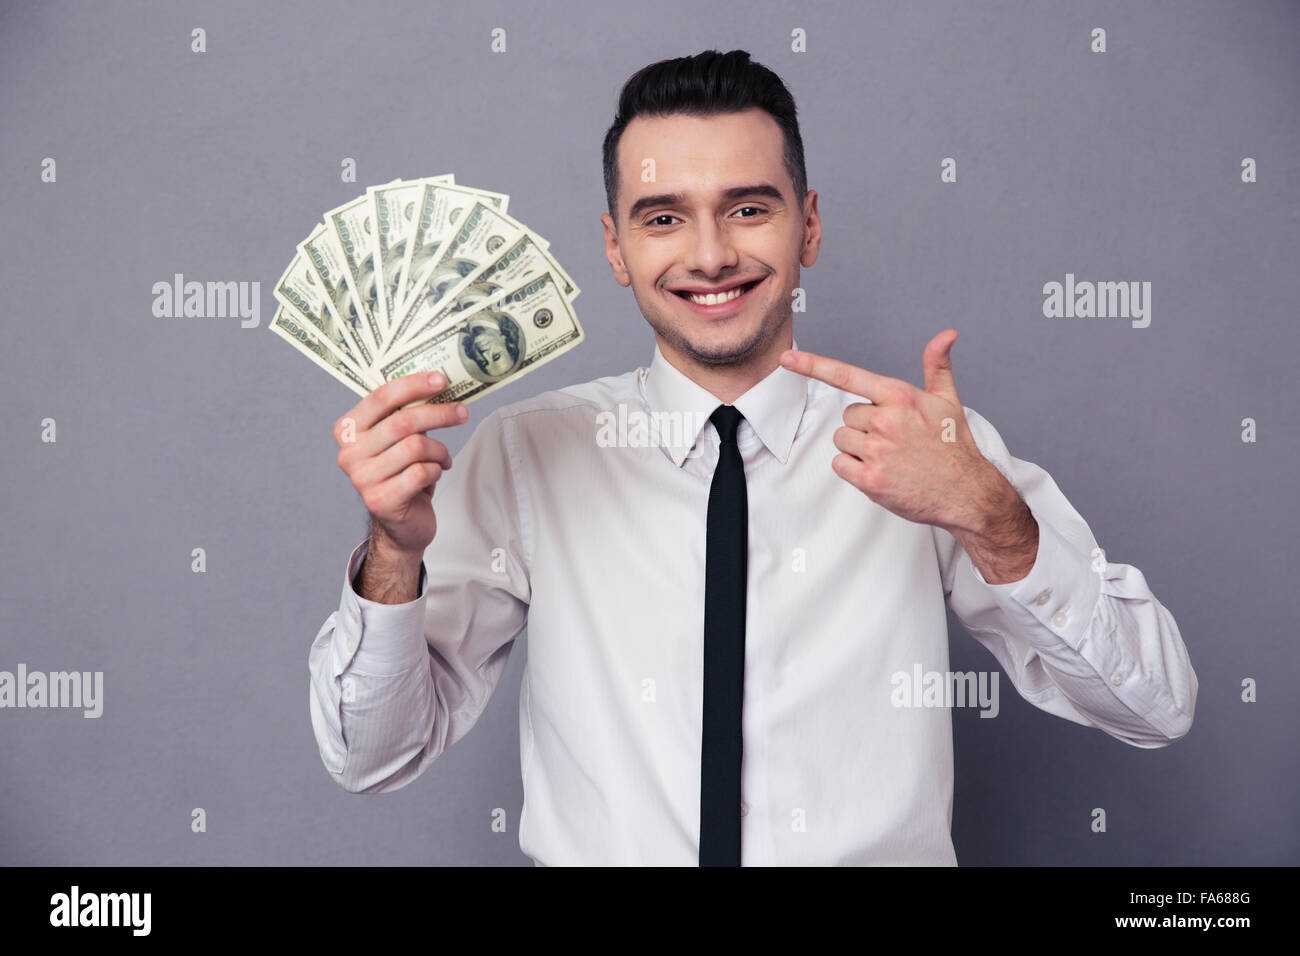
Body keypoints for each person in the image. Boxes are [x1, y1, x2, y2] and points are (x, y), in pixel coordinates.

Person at [308, 49, 1197, 866]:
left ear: (807, 227)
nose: (710, 255)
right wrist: (394, 552)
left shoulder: (929, 446)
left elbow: (1157, 710)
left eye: (748, 208)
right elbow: (370, 758)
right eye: (664, 217)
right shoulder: (525, 453)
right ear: (616, 247)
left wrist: (996, 520)